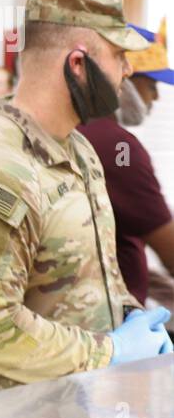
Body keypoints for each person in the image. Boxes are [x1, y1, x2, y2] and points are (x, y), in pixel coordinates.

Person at [0, 0, 172, 392]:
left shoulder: (79, 151)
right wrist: (109, 352)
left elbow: (87, 277)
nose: (128, 71)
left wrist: (131, 317)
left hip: (76, 413)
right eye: (118, 56)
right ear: (78, 63)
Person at [79, 25, 174, 307]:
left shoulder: (83, 129)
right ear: (125, 76)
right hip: (110, 315)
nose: (155, 98)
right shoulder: (119, 147)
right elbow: (169, 249)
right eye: (152, 85)